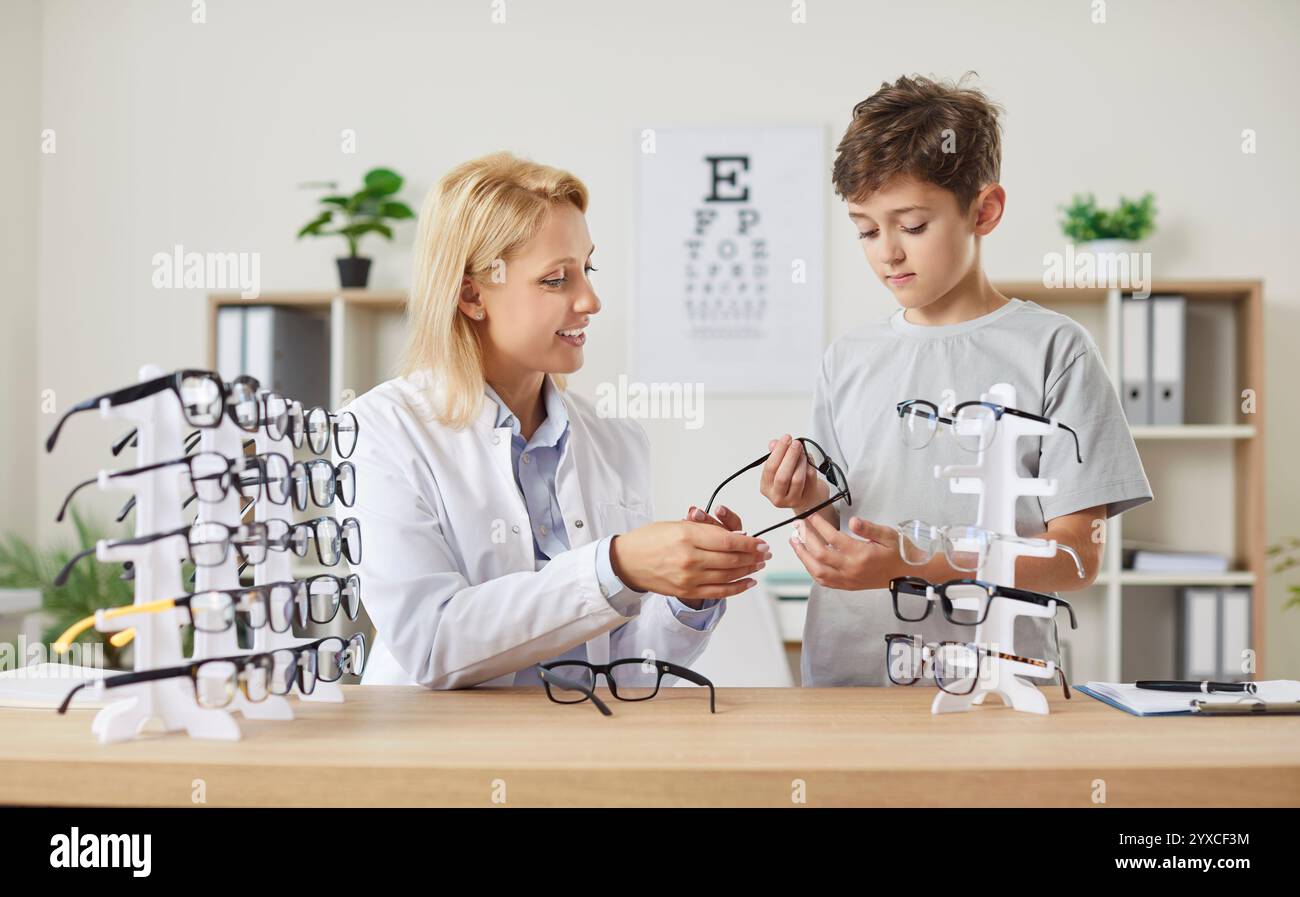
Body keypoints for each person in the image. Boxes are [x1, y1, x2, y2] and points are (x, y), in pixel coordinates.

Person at [760, 74, 1153, 686]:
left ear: (984, 211)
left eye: (913, 226)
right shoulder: (848, 358)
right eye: (866, 230)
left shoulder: (1055, 350)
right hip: (848, 682)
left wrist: (920, 565)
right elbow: (836, 530)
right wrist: (802, 497)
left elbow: (1076, 558)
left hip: (999, 687)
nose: (887, 252)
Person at [337, 152, 770, 689]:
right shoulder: (378, 431)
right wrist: (616, 566)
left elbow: (626, 664)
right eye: (555, 279)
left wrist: (686, 597)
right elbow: (432, 641)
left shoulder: (616, 439)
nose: (591, 300)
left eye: (587, 269)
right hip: (437, 739)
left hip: (584, 736)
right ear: (472, 293)